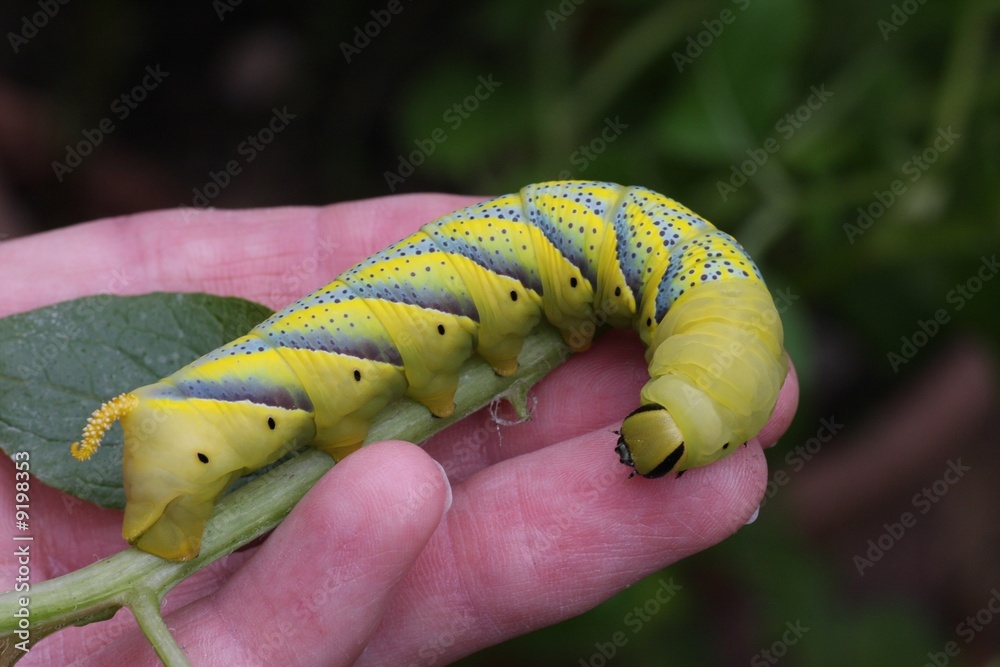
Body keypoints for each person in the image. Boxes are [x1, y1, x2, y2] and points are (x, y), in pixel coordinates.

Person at [0, 191, 798, 665]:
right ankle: (177, 434)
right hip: (207, 419)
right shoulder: (579, 250)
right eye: (685, 422)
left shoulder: (595, 250)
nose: (646, 442)